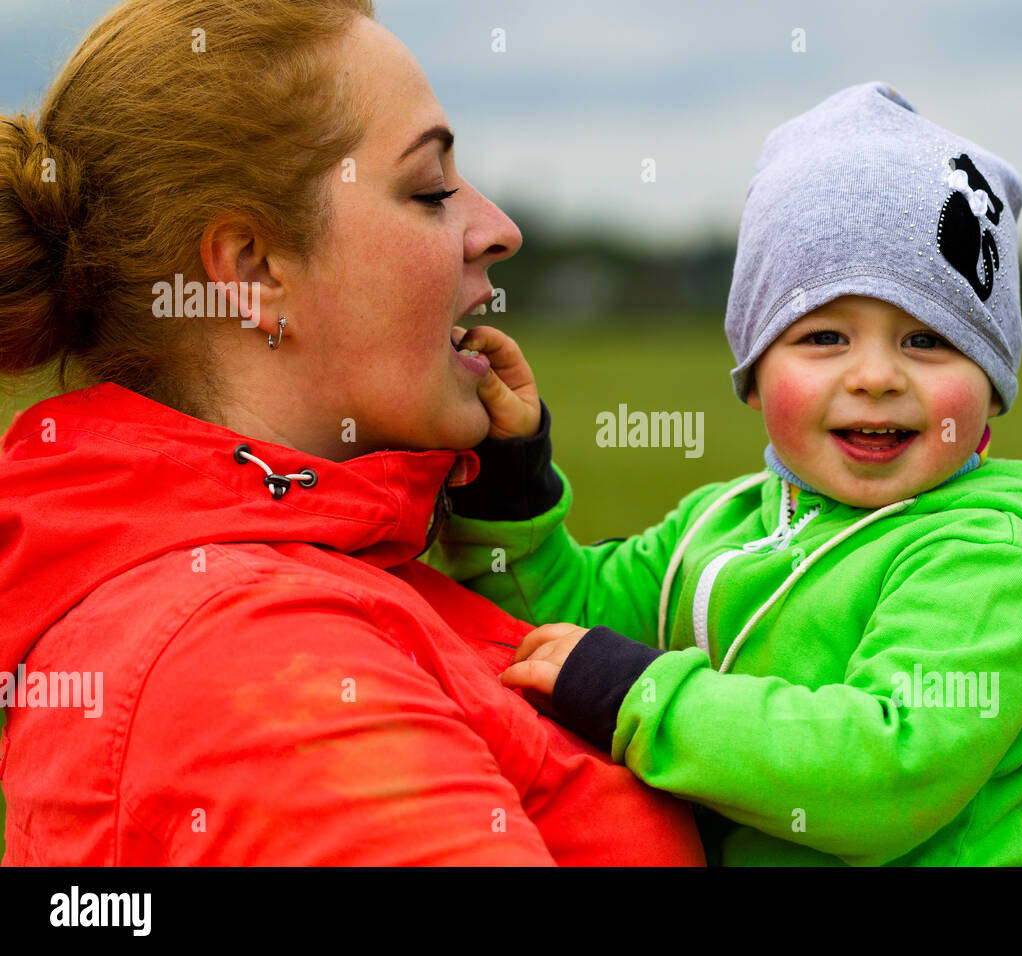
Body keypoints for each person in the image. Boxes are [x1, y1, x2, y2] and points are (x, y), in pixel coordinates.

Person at [0, 0, 705, 866]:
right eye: (432, 189)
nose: (499, 229)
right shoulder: (250, 660)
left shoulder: (324, 571)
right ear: (255, 273)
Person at [431, 82, 1022, 866]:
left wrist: (641, 694)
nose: (875, 377)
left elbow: (880, 773)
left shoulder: (994, 562)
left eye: (928, 340)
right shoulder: (720, 526)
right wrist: (509, 479)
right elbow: (552, 624)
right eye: (825, 336)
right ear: (755, 375)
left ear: (992, 384)